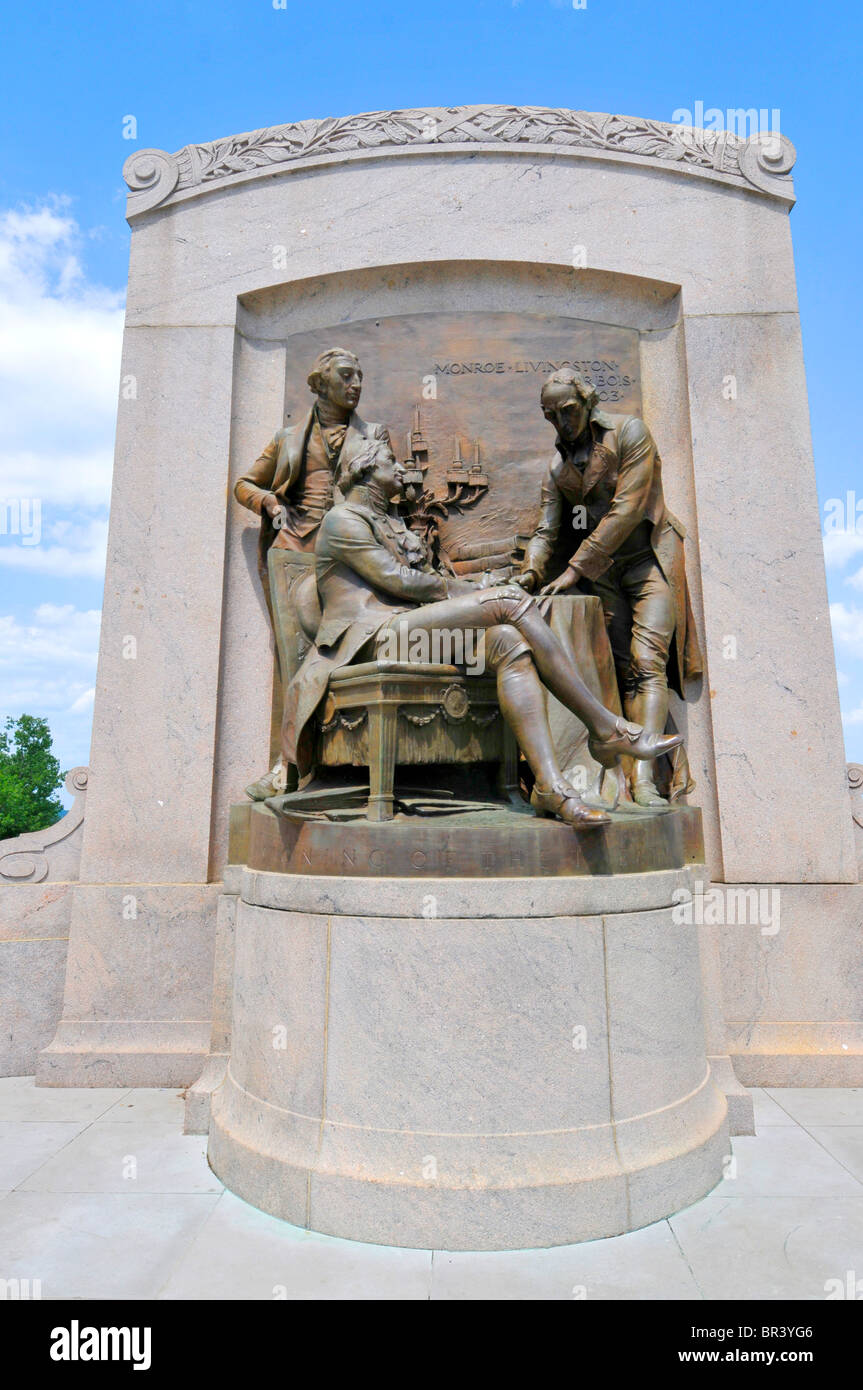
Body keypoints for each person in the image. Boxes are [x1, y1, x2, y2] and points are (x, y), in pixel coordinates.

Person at [282, 439, 682, 830]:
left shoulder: (391, 522)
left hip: (413, 636)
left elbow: (428, 581)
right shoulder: (343, 520)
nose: (401, 469)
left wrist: (478, 584)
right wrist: (478, 593)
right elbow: (400, 580)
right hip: (370, 640)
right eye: (390, 462)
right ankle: (605, 728)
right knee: (508, 602)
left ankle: (550, 785)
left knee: (509, 643)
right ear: (365, 470)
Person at [515, 368, 702, 808]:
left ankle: (644, 781)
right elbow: (547, 530)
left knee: (646, 661)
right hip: (607, 577)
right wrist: (530, 572)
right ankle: (651, 771)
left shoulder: (629, 433)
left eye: (569, 411)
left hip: (649, 561)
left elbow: (628, 508)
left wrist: (576, 569)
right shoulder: (557, 468)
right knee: (622, 673)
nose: (563, 423)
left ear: (587, 402)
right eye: (552, 416)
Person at [234, 347, 391, 798]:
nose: (356, 383)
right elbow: (244, 484)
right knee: (295, 658)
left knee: (341, 652)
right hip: (295, 549)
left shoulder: (376, 434)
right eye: (346, 375)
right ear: (321, 383)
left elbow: (385, 494)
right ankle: (287, 767)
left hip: (350, 555)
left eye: (360, 375)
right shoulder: (287, 438)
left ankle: (345, 761)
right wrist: (269, 501)